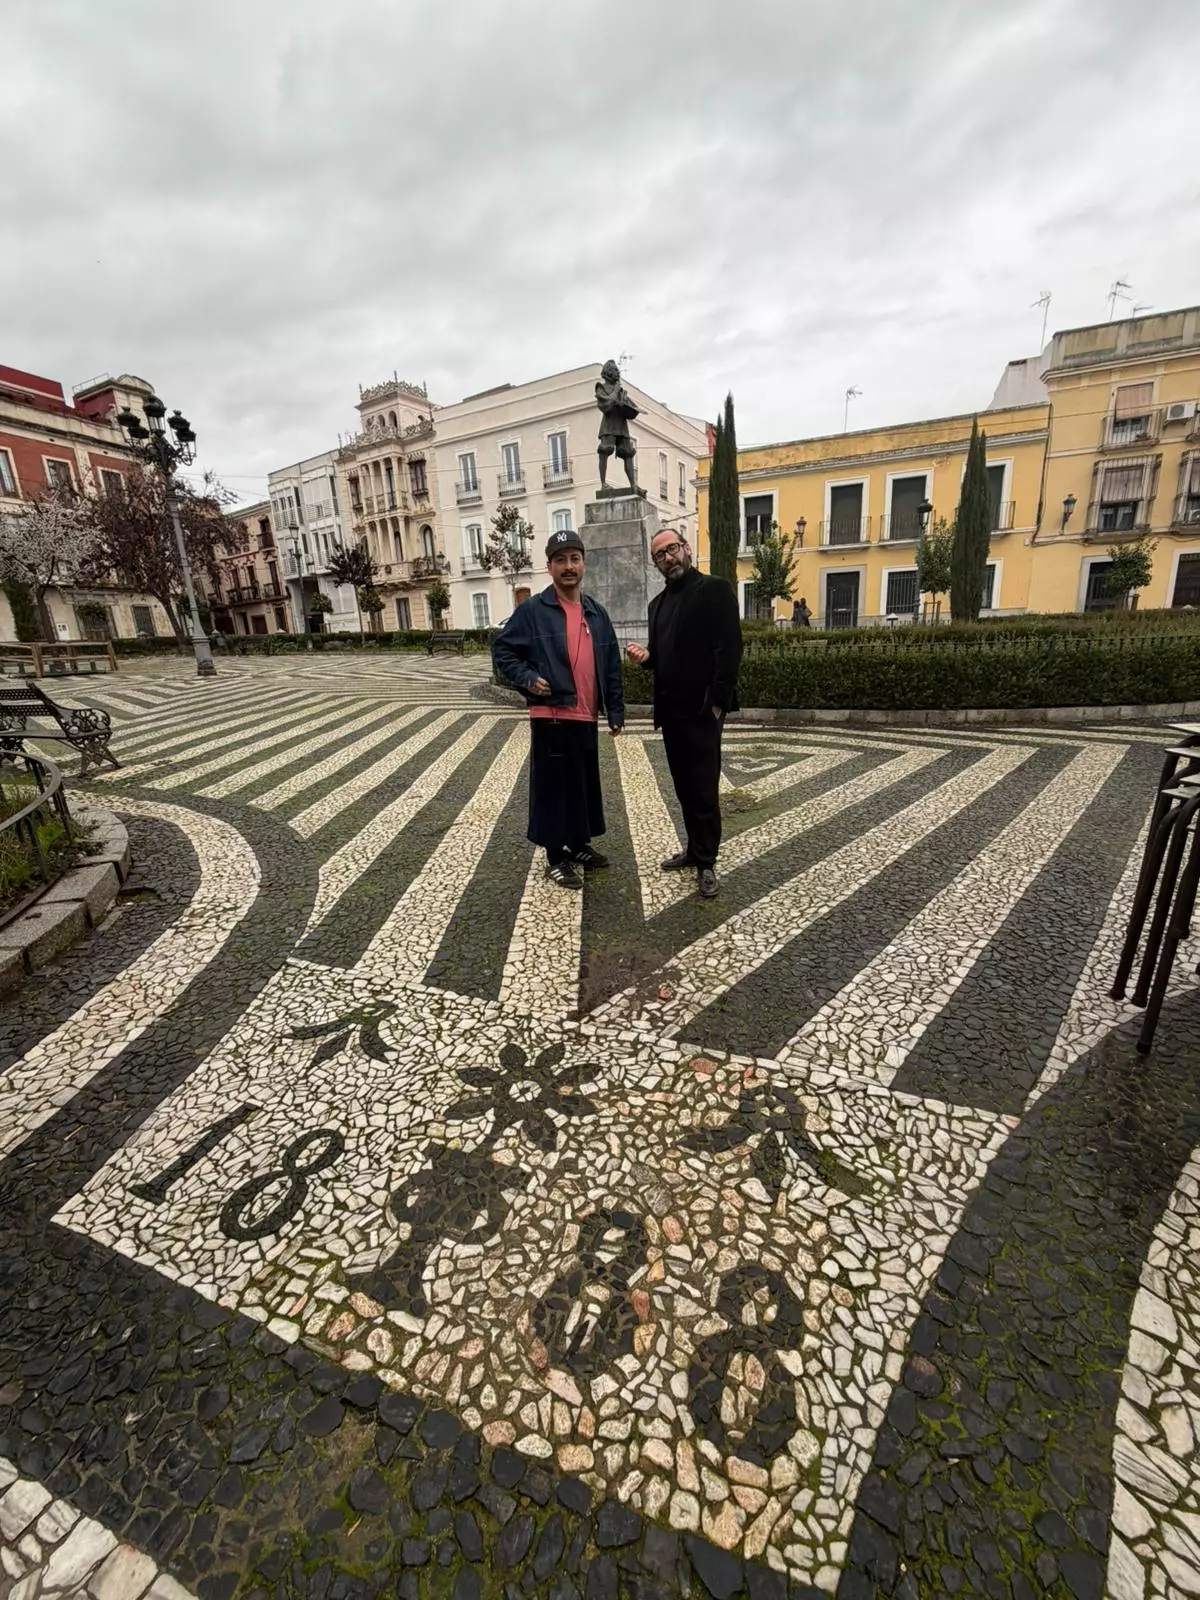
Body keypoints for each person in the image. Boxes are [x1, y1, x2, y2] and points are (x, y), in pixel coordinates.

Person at [492, 529, 624, 889]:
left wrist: (614, 710)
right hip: (551, 715)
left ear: (584, 564)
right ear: (549, 567)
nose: (569, 566)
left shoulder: (596, 612)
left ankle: (578, 845)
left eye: (574, 559)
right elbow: (503, 650)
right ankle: (554, 856)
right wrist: (527, 678)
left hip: (586, 715)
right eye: (561, 560)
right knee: (553, 788)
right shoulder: (533, 610)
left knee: (582, 785)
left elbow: (611, 663)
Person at [626, 530, 742, 899]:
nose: (668, 558)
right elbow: (662, 655)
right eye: (660, 555)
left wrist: (717, 703)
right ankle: (693, 849)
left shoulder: (714, 589)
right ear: (656, 564)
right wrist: (647, 658)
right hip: (671, 711)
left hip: (703, 710)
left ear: (686, 549)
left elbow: (730, 648)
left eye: (672, 549)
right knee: (683, 787)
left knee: (704, 788)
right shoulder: (656, 605)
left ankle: (707, 861)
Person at [595, 359, 640, 493]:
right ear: (608, 372)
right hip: (608, 426)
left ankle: (633, 485)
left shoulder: (622, 392)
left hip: (621, 426)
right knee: (604, 451)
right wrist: (615, 391)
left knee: (628, 454)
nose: (618, 373)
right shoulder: (601, 387)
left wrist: (624, 405)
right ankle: (603, 484)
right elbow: (605, 405)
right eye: (615, 370)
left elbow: (633, 409)